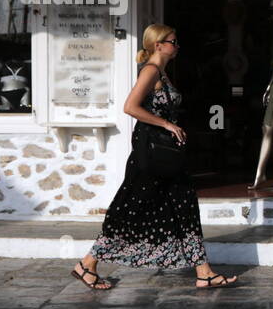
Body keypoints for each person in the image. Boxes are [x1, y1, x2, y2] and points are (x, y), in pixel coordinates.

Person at [71, 23, 239, 290]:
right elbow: (130, 107)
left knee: (184, 204)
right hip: (151, 150)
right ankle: (88, 262)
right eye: (173, 42)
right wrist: (167, 125)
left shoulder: (163, 72)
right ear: (158, 45)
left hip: (165, 152)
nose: (177, 46)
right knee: (133, 204)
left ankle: (203, 271)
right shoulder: (150, 71)